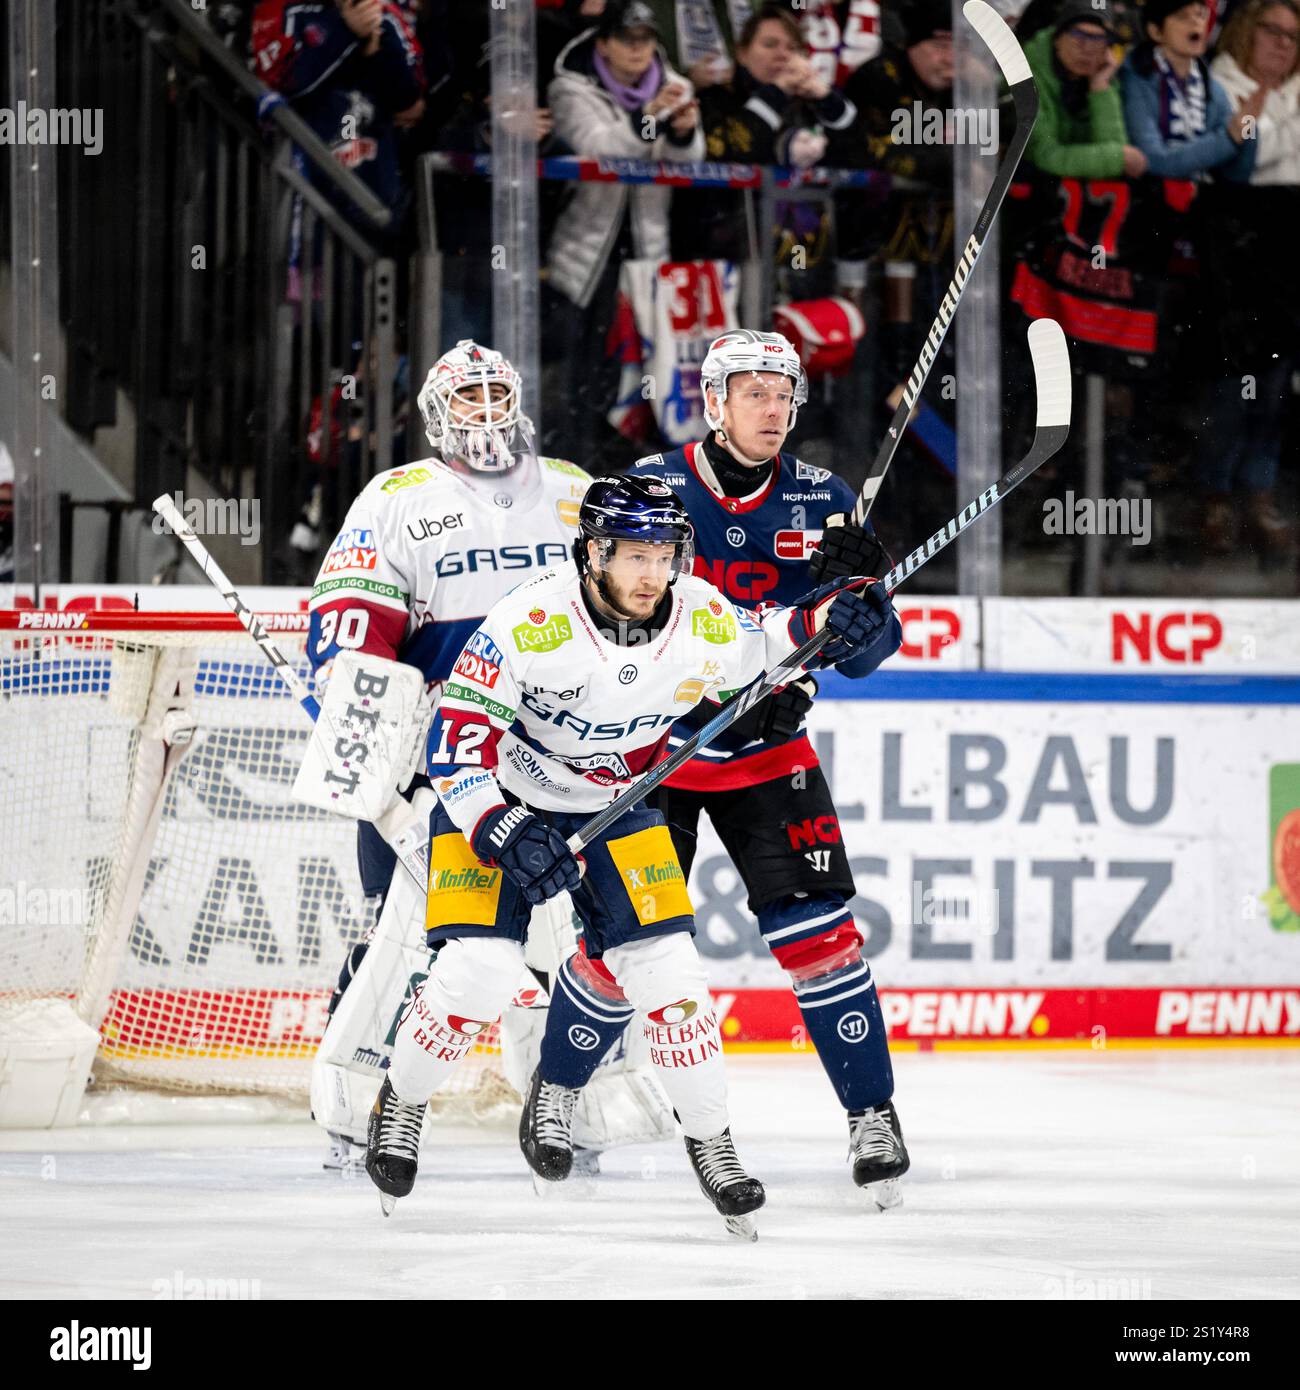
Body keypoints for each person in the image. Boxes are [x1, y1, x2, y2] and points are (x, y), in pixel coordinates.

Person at [364, 475, 897, 1235]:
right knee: (478, 971)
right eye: (634, 555)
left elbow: (769, 641)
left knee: (672, 975)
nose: (652, 575)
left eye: (665, 554)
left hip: (614, 804)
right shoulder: (528, 622)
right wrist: (500, 828)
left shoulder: (700, 617)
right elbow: (453, 749)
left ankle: (712, 1143)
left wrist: (830, 614)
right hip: (497, 798)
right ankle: (402, 1102)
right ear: (593, 553)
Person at [532, 331, 913, 1211]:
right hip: (655, 756)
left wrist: (864, 602)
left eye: (785, 395)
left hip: (767, 758)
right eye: (753, 393)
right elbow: (601, 615)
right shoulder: (649, 490)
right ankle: (557, 1094)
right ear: (713, 402)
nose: (773, 410)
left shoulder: (826, 499)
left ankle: (873, 1117)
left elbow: (866, 653)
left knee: (821, 934)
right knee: (624, 944)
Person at [301, 340, 591, 1170]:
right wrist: (354, 706)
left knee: (562, 943)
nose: (486, 408)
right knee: (391, 946)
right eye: (467, 397)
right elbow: (352, 628)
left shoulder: (572, 491)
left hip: (555, 767)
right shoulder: (396, 497)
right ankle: (355, 1116)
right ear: (436, 413)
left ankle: (560, 1108)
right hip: (434, 767)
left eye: (498, 390)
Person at [544, 0, 704, 463]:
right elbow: (603, 154)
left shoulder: (678, 86)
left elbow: (690, 163)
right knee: (581, 355)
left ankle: (627, 462)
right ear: (603, 44)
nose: (638, 51)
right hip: (586, 247)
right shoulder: (570, 89)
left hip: (649, 242)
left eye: (645, 40)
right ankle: (572, 456)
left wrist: (683, 130)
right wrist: (650, 118)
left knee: (641, 357)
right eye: (626, 40)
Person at [1195, 0, 1300, 553]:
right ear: (1244, 30)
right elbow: (1245, 159)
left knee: (1279, 381)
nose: (1283, 44)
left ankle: (1258, 493)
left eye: (1293, 35)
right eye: (1273, 31)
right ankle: (1215, 495)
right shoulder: (1218, 82)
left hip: (1291, 236)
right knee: (1233, 376)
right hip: (1234, 234)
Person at [251, 1, 427, 235]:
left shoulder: (384, 14)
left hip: (372, 187)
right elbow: (282, 85)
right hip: (303, 190)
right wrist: (346, 33)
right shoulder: (282, 9)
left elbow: (409, 102)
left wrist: (375, 49)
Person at [1120, 0, 1262, 180]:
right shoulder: (1136, 80)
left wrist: (1248, 126)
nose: (1196, 22)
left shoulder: (1213, 88)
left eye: (1200, 15)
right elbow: (1153, 161)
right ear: (1156, 31)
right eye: (1182, 17)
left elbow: (1236, 176)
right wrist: (1229, 137)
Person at [1023, 0, 1149, 178]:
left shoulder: (1101, 78)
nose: (1088, 49)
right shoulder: (1027, 74)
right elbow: (1044, 155)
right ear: (1057, 38)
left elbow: (1114, 148)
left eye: (1098, 39)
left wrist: (1100, 86)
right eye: (1079, 36)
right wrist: (1117, 159)